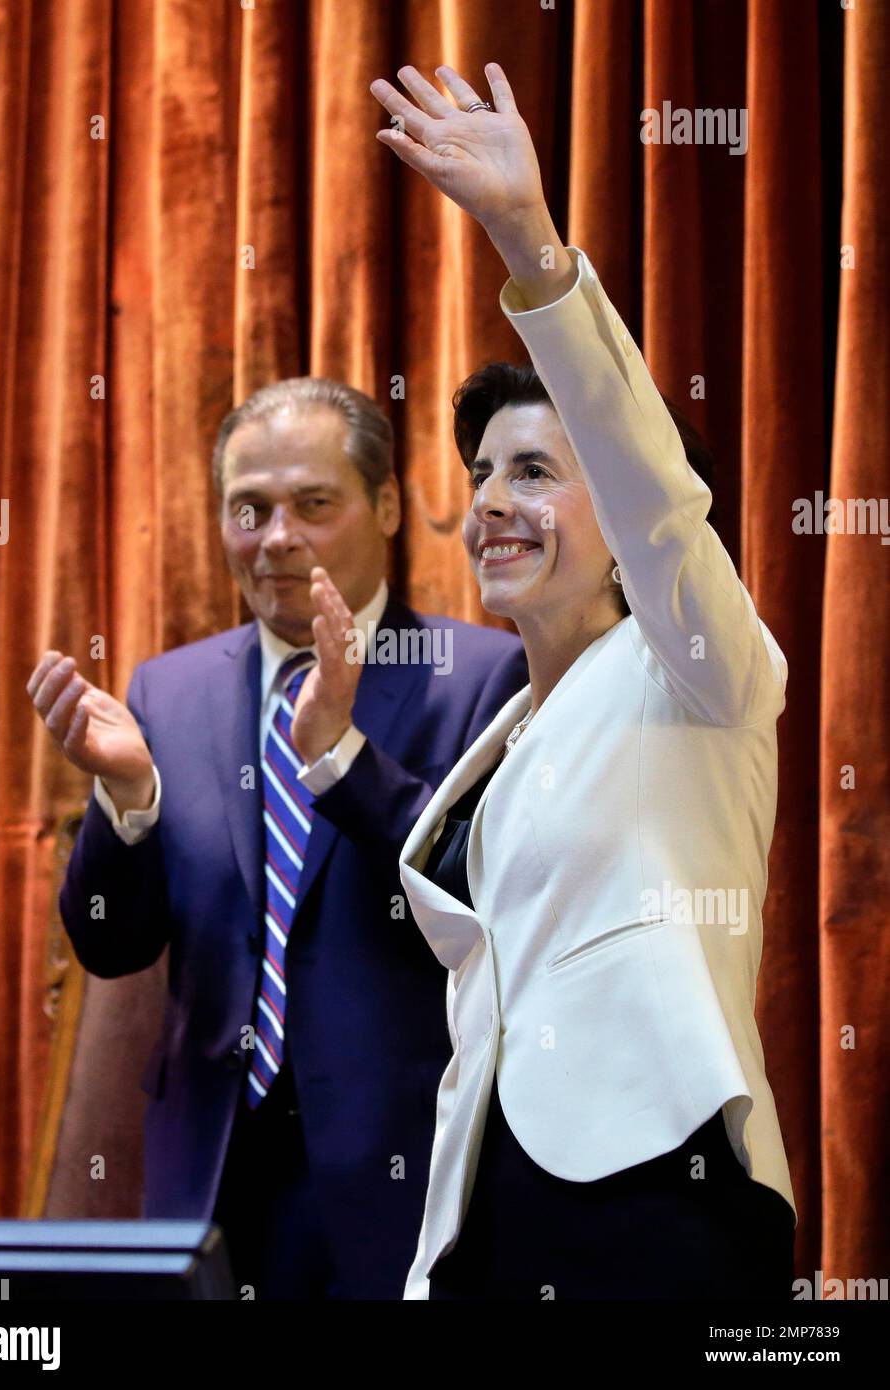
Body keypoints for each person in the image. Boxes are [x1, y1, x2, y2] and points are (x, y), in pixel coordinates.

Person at [370, 62, 797, 1300]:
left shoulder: (699, 671)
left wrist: (529, 244)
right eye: (485, 473)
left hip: (662, 1205)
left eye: (539, 471)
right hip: (493, 1220)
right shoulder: (497, 743)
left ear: (618, 509)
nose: (495, 499)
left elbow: (657, 492)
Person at [27, 375, 528, 1299]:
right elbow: (111, 941)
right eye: (246, 510)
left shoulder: (482, 678)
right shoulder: (167, 693)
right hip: (214, 1177)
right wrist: (128, 799)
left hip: (400, 1175)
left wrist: (341, 753)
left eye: (312, 503)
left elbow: (485, 906)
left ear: (383, 506)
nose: (276, 538)